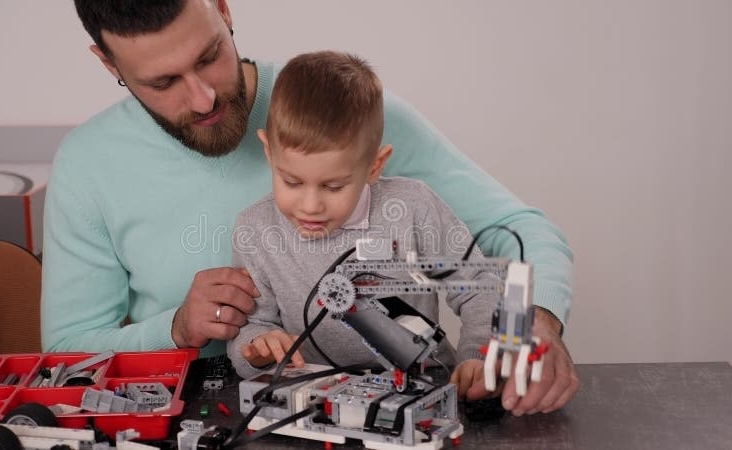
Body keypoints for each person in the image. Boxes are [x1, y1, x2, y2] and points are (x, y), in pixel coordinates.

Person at [44, 0, 577, 415]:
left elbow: (516, 231)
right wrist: (176, 329)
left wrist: (535, 323)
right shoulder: (87, 164)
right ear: (107, 62)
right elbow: (68, 354)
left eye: (210, 56)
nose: (204, 97)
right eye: (163, 82)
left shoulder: (349, 114)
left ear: (225, 11)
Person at [227, 51, 498, 390]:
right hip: (315, 404)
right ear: (269, 152)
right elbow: (249, 331)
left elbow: (477, 286)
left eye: (333, 186)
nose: (310, 206)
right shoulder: (254, 231)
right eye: (291, 182)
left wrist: (478, 354)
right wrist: (259, 347)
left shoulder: (413, 207)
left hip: (423, 391)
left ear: (374, 165)